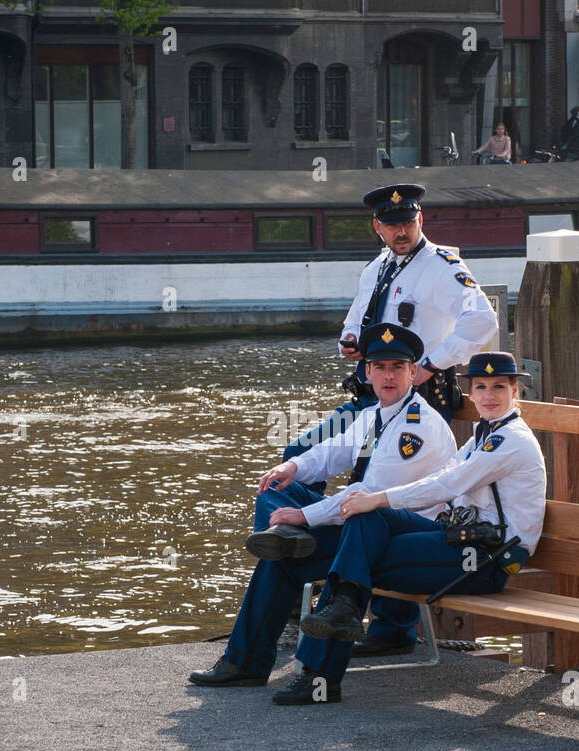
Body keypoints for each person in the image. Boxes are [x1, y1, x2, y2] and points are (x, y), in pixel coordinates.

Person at [278, 182, 497, 654]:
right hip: (368, 396)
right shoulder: (377, 267)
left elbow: (482, 321)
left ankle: (386, 626)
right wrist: (350, 342)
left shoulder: (442, 267)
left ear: (422, 221)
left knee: (391, 499)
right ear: (377, 227)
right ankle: (311, 559)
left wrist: (432, 363)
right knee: (298, 455)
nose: (402, 231)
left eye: (409, 223)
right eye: (393, 225)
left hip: (416, 398)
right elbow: (356, 318)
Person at [188, 324, 457, 702]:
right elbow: (330, 452)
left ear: (414, 372)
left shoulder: (418, 427)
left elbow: (365, 497)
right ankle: (247, 661)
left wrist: (304, 518)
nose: (389, 375)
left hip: (402, 539)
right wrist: (293, 469)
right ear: (367, 372)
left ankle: (282, 671)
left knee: (298, 555)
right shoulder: (376, 415)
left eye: (398, 366)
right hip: (365, 527)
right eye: (380, 367)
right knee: (277, 492)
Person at [291, 351, 547, 704]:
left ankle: (319, 674)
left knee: (363, 554)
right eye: (481, 387)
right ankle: (343, 612)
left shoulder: (510, 440)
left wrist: (380, 497)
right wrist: (375, 503)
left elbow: (448, 485)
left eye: (499, 387)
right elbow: (442, 477)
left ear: (515, 392)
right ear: (471, 392)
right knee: (365, 521)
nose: (489, 396)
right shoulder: (482, 435)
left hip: (487, 560)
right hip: (457, 540)